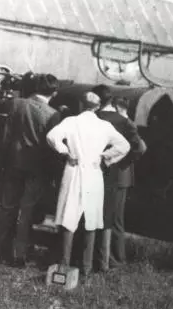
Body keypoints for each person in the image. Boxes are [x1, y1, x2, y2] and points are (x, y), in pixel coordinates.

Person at [46, 91, 131, 278]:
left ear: (80, 104)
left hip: (74, 169)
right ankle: (86, 268)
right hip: (94, 172)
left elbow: (52, 137)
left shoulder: (71, 122)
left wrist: (65, 151)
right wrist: (105, 157)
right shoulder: (104, 126)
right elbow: (124, 146)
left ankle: (64, 266)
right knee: (91, 220)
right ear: (98, 107)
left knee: (69, 218)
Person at [0, 74, 62, 267]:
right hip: (36, 168)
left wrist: (1, 159)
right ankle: (19, 255)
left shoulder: (17, 104)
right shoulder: (53, 114)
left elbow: (6, 136)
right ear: (54, 93)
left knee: (7, 207)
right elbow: (51, 146)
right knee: (27, 211)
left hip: (13, 162)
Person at [91, 85, 147, 271]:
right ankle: (115, 259)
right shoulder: (123, 120)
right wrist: (122, 163)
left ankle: (106, 258)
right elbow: (140, 148)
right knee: (115, 220)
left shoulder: (95, 118)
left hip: (98, 171)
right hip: (120, 176)